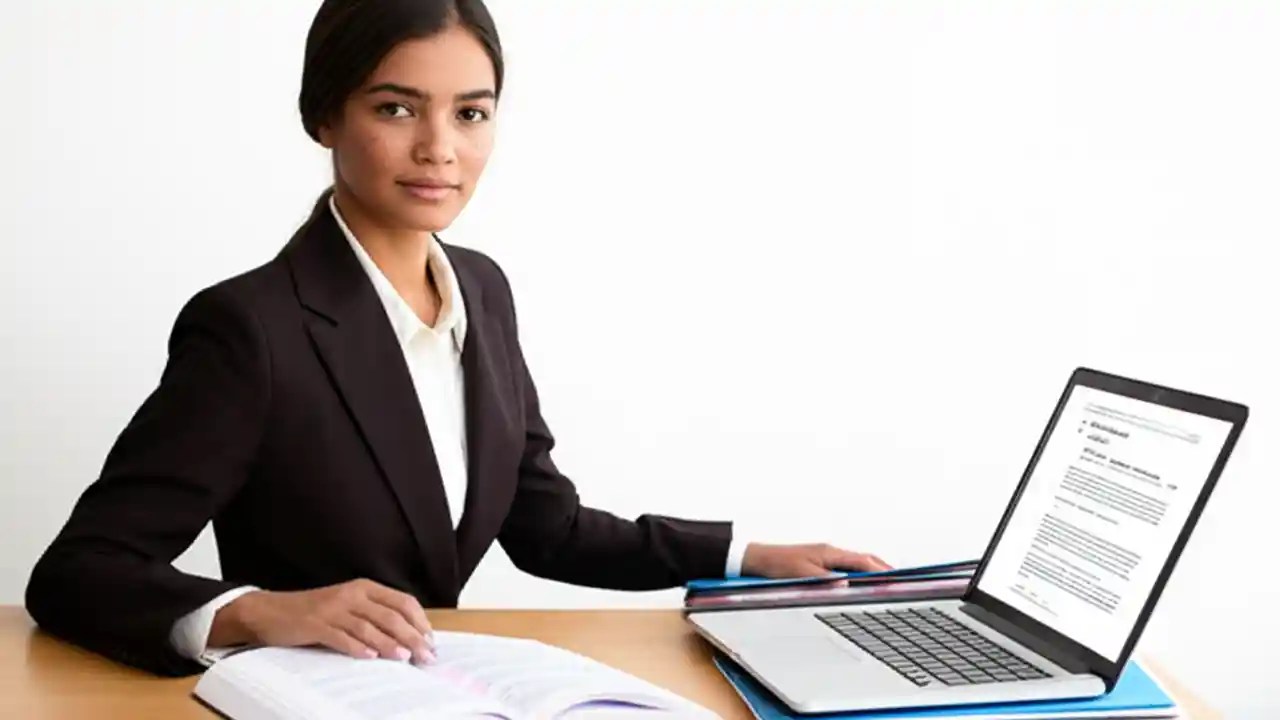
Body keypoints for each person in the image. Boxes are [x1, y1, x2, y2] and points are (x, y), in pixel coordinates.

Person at [24, 0, 891, 677]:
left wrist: (746, 557)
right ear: (323, 117)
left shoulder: (482, 288)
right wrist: (254, 610)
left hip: (443, 689)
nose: (439, 148)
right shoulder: (251, 327)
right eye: (398, 108)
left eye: (471, 114)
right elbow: (79, 571)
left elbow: (546, 528)